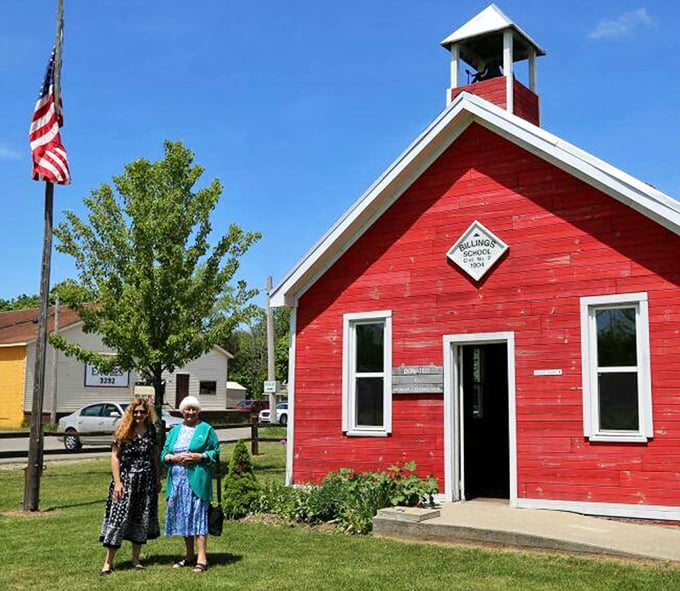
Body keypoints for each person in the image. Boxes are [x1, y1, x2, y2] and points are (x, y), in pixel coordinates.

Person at [99, 397, 161, 575]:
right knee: (118, 518)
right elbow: (115, 457)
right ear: (131, 413)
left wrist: (157, 478)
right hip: (126, 481)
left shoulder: (150, 431)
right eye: (136, 412)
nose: (139, 415)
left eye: (142, 411)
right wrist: (118, 482)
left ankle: (136, 559)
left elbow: (154, 455)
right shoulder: (123, 430)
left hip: (146, 481)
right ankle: (108, 563)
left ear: (147, 413)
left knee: (141, 518)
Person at [162, 395, 220, 573]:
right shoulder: (174, 431)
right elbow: (164, 453)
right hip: (177, 482)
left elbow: (215, 451)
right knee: (183, 517)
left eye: (194, 409)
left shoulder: (206, 429)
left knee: (198, 517)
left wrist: (200, 456)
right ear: (182, 411)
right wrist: (172, 457)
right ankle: (189, 555)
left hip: (196, 481)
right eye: (187, 409)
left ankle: (202, 558)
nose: (190, 412)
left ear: (198, 411)